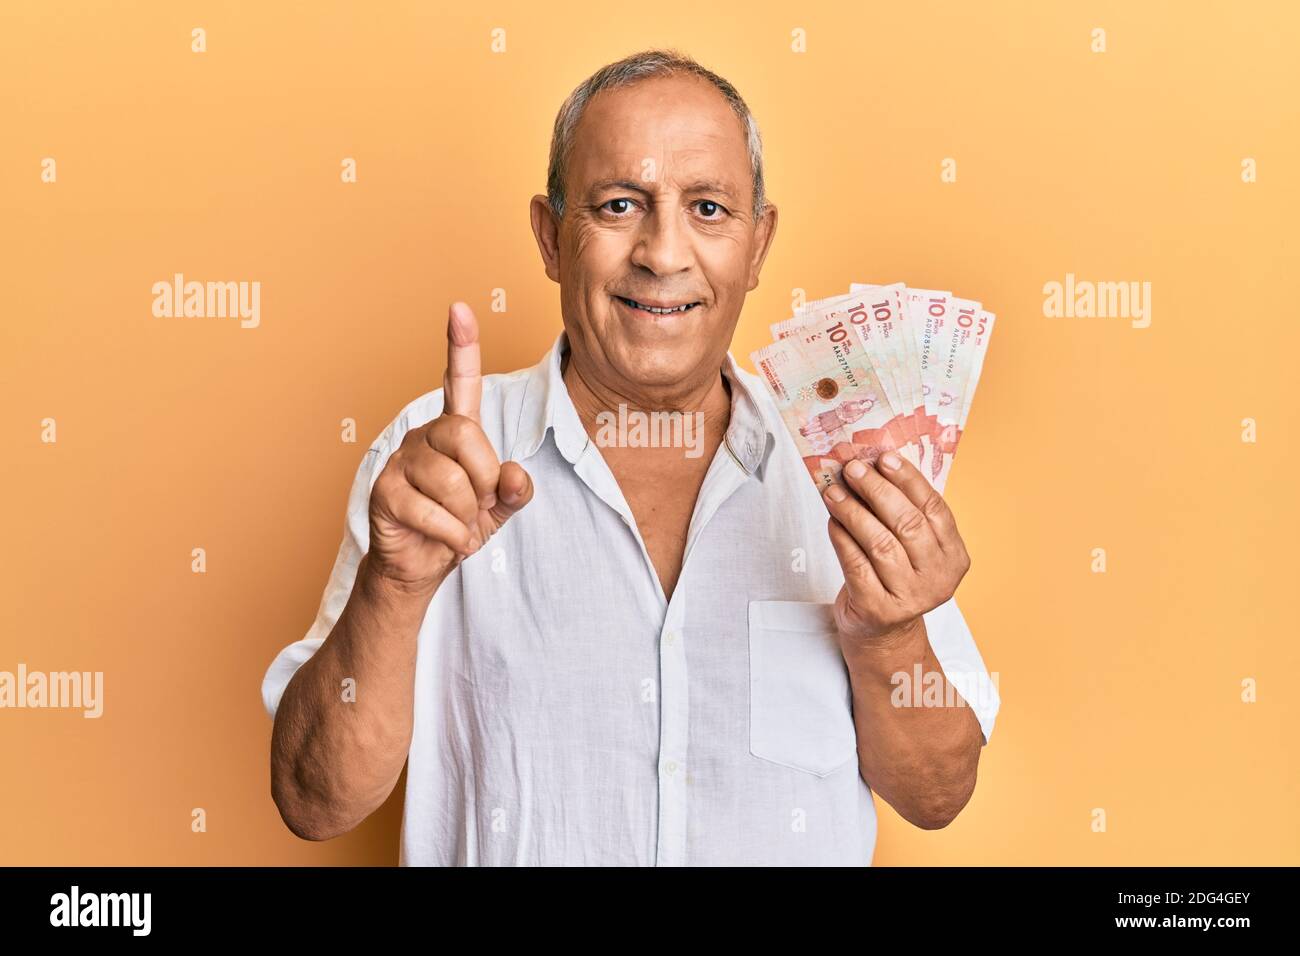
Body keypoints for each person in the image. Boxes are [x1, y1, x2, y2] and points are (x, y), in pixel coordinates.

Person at [261, 48, 999, 866]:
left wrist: (889, 637)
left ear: (759, 245)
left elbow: (937, 797)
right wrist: (392, 591)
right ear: (550, 237)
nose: (662, 253)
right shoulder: (436, 466)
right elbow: (313, 802)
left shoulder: (848, 469)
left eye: (710, 209)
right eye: (619, 205)